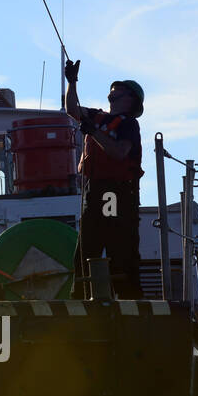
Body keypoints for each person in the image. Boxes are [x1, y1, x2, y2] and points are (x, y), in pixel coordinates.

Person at [65, 59, 145, 299]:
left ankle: (128, 298)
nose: (113, 92)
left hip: (115, 194)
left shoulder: (129, 125)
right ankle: (82, 296)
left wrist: (94, 132)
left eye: (119, 90)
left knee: (118, 244)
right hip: (95, 191)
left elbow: (119, 152)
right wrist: (72, 82)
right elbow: (72, 109)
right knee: (87, 246)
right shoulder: (96, 117)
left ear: (130, 100)